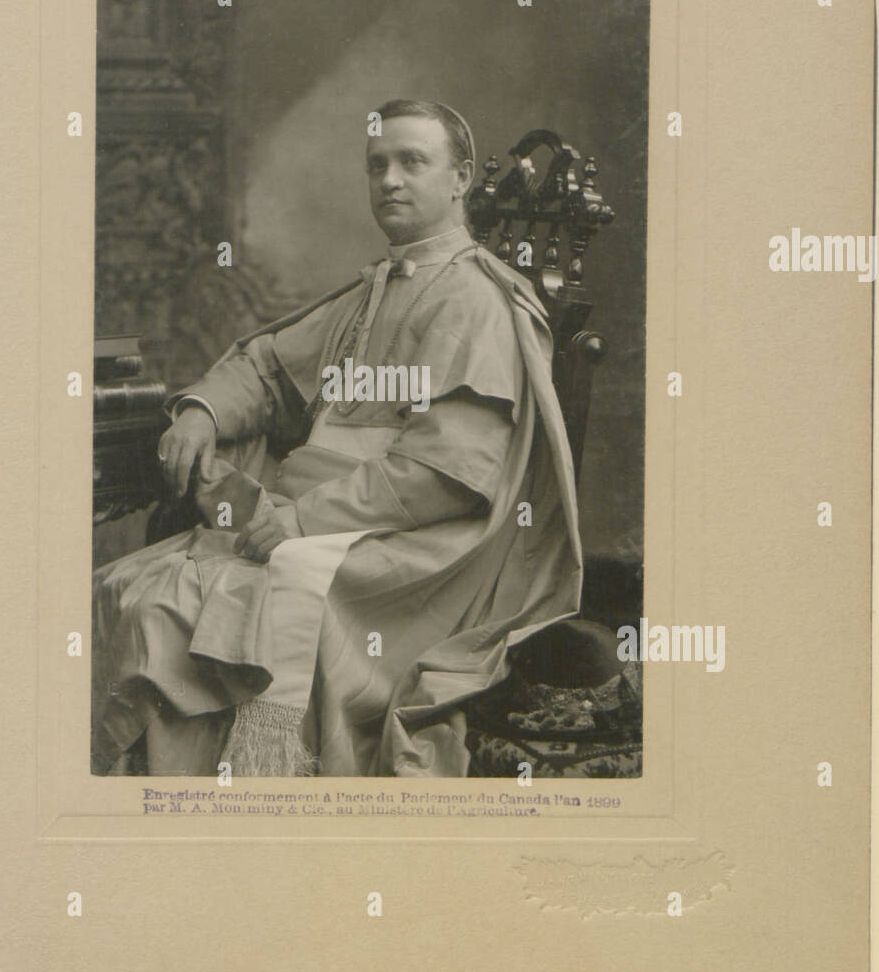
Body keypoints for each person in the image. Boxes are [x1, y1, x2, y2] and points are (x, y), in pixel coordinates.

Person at [92, 99, 582, 778]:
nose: (389, 180)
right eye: (377, 165)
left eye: (413, 162)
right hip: (314, 528)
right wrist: (203, 411)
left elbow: (440, 476)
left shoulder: (475, 302)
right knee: (121, 587)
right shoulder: (375, 291)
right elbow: (265, 368)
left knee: (163, 613)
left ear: (461, 179)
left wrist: (300, 520)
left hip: (410, 555)